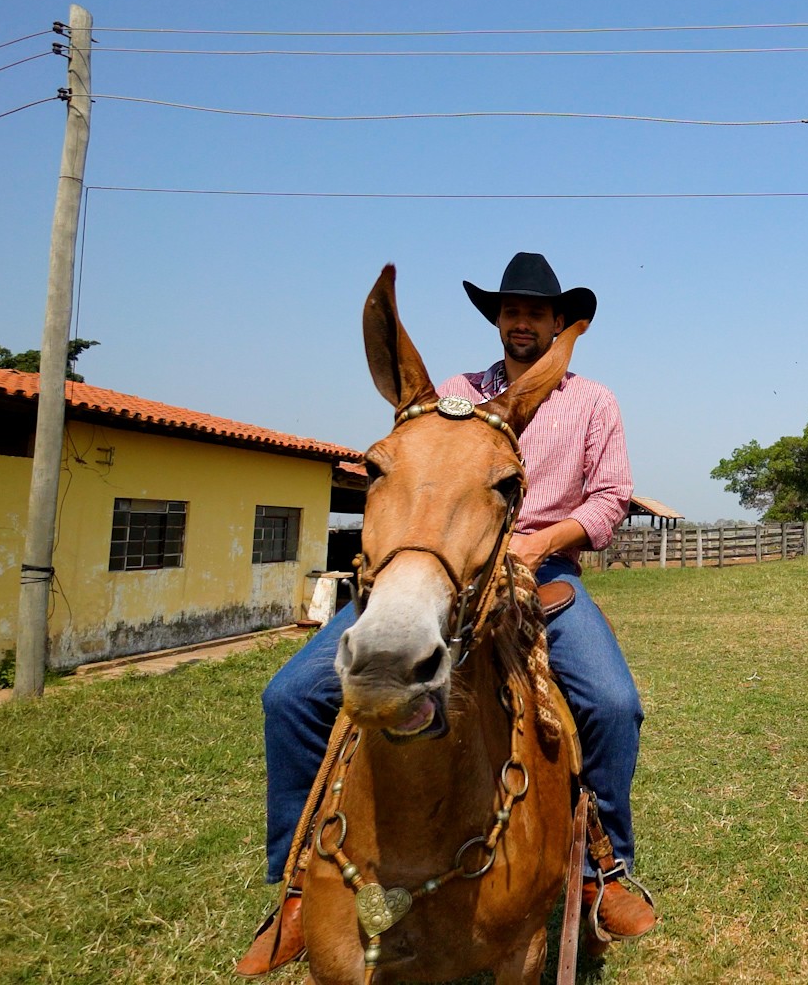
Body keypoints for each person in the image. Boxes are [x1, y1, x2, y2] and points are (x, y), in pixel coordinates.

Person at [238, 252, 655, 977]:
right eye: (509, 310)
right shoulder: (455, 394)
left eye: (536, 311)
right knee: (291, 698)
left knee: (614, 705)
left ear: (558, 325)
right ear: (498, 320)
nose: (521, 321)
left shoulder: (593, 402)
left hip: (542, 573)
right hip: (437, 572)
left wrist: (537, 542)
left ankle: (600, 871)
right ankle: (300, 881)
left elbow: (609, 499)